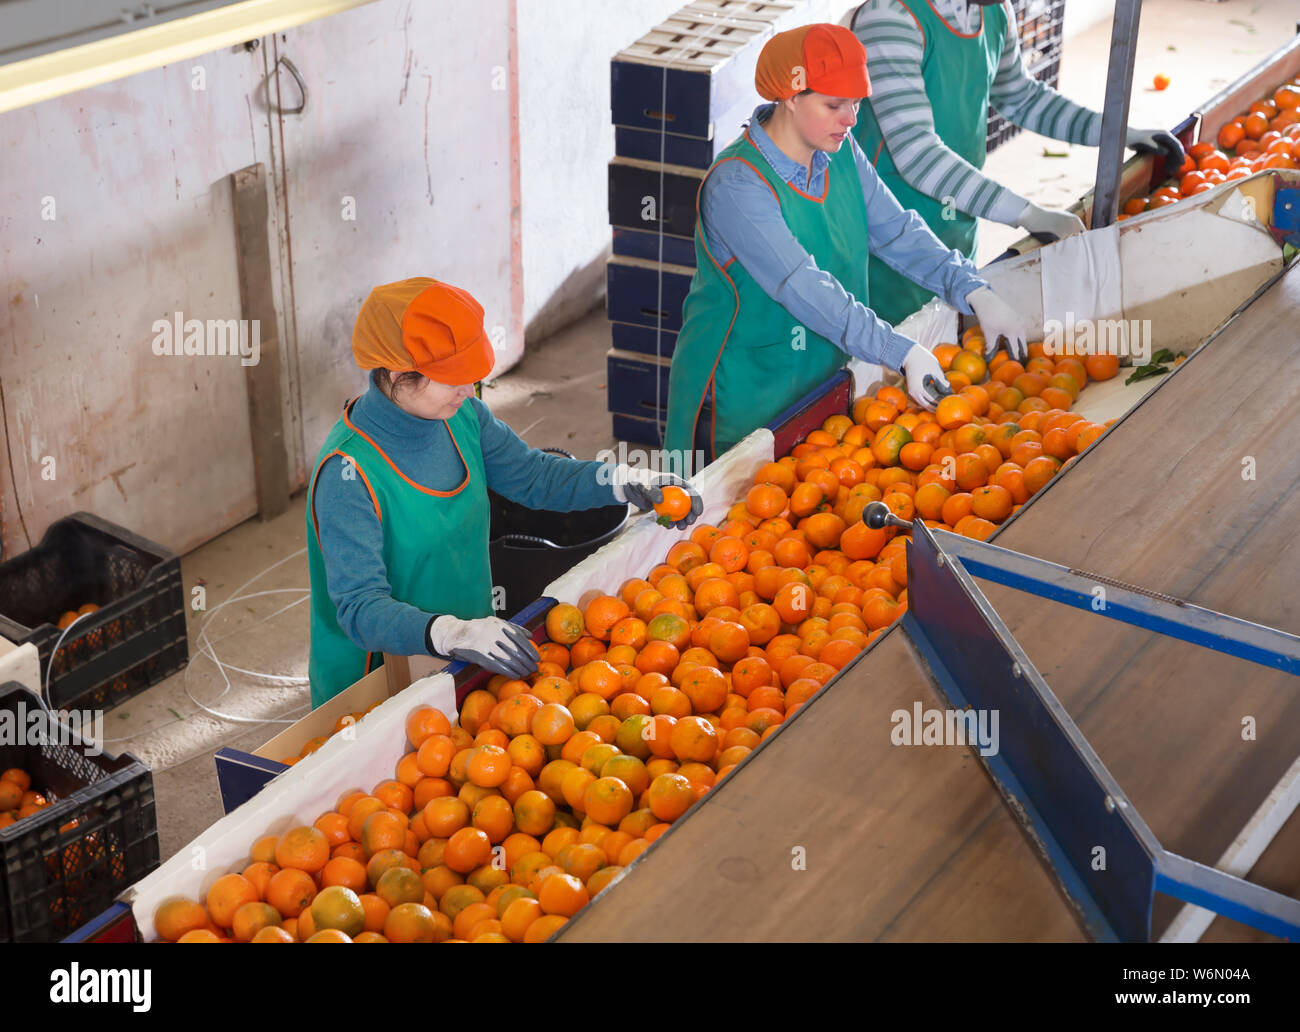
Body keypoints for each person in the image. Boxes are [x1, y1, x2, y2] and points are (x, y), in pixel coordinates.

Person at [306, 278, 701, 707]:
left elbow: (535, 476)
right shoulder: (348, 474)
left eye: (471, 378)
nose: (467, 390)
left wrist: (623, 480)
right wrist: (450, 632)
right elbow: (360, 607)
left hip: (467, 648)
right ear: (399, 374)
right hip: (382, 677)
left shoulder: (463, 417)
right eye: (454, 379)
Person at [664, 22, 1027, 463]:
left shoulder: (840, 152)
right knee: (736, 516)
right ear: (791, 98)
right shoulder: (737, 186)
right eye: (834, 104)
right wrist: (898, 349)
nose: (851, 119)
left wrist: (970, 287)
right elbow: (803, 285)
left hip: (817, 371)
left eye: (856, 103)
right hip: (742, 391)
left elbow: (896, 231)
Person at [850, 0, 1185, 324]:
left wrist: (1118, 133)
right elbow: (919, 154)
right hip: (891, 238)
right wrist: (1027, 213)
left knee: (953, 338)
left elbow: (1022, 97)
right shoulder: (890, 19)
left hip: (957, 216)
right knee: (891, 357)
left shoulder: (993, 11)